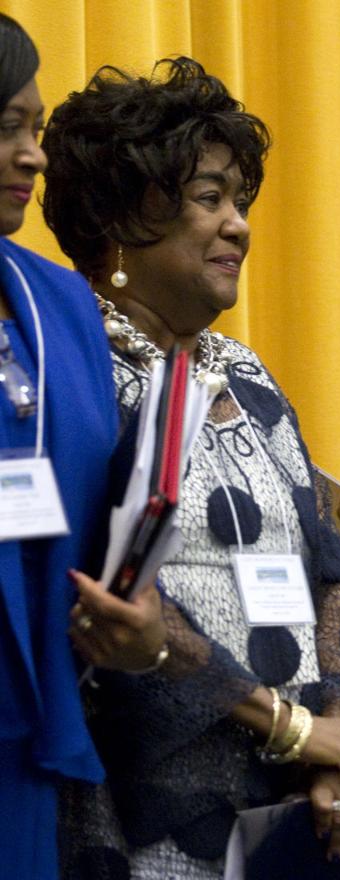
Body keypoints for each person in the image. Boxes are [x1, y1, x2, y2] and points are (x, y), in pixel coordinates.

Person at [40, 57, 340, 878]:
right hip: (146, 817)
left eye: (240, 200)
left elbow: (334, 570)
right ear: (123, 217)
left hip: (291, 813)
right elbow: (108, 604)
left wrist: (339, 732)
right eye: (210, 198)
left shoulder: (248, 374)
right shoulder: (76, 377)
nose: (239, 224)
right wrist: (293, 727)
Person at [0, 14, 165, 880]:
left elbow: (111, 508)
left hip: (39, 747)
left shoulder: (60, 303)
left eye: (35, 129)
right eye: (6, 128)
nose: (33, 155)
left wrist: (142, 627)